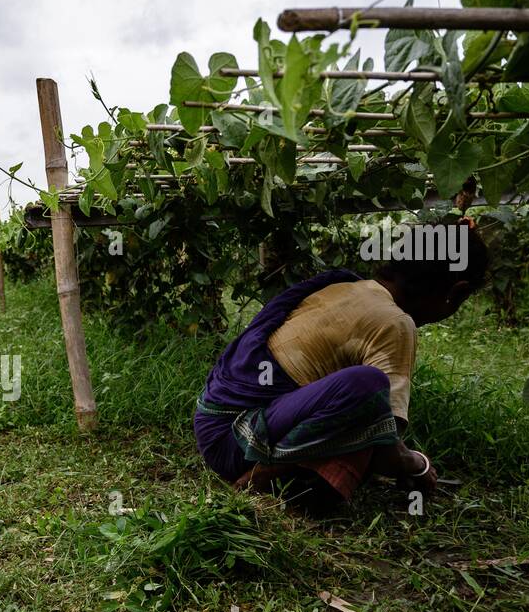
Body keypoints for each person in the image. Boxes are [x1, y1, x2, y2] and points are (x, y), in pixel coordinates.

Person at [193, 217, 489, 511]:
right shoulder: (395, 322)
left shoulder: (342, 285)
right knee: (367, 388)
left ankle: (277, 469)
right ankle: (264, 476)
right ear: (456, 292)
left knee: (360, 410)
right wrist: (418, 464)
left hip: (212, 427)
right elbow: (385, 447)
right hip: (237, 443)